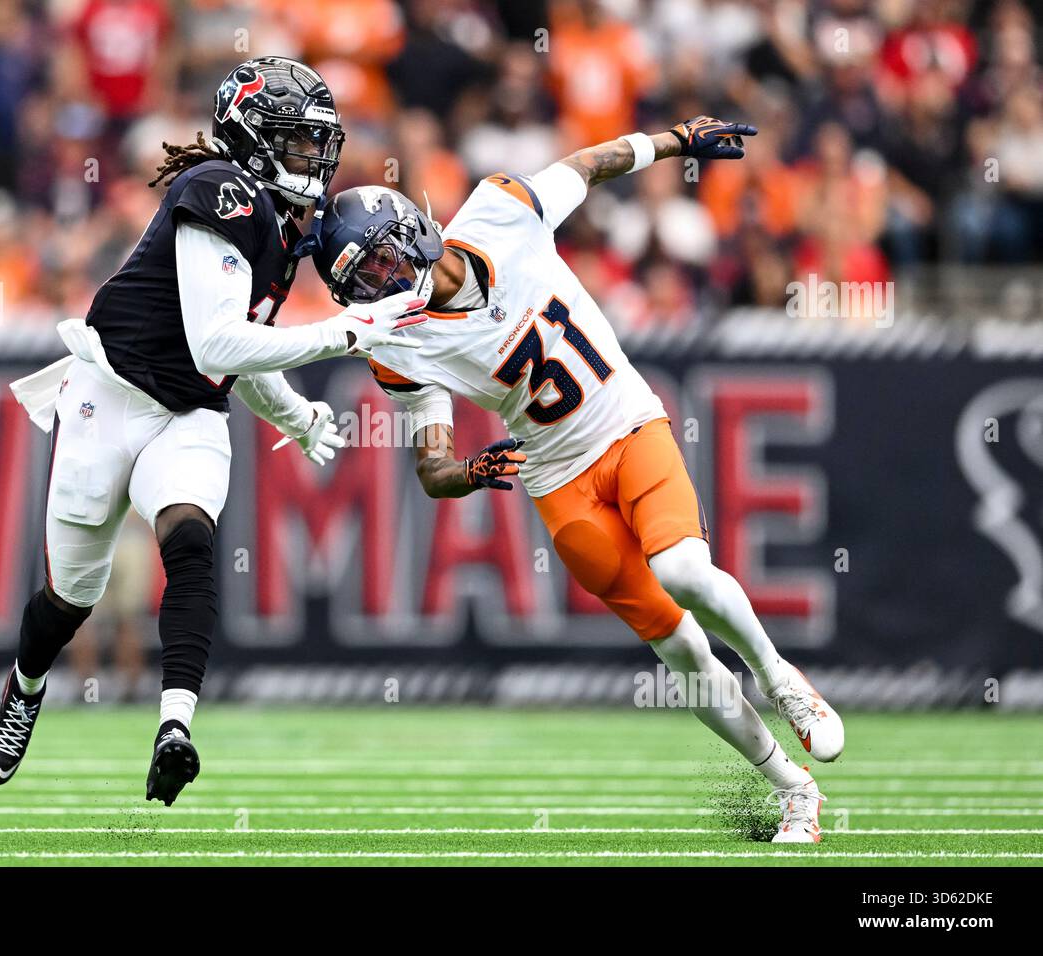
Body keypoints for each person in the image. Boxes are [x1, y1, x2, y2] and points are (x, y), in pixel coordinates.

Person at [307, 116, 844, 843]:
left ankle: (781, 677)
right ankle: (793, 791)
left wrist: (679, 139)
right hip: (558, 479)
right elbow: (430, 468)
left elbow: (591, 162)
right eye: (359, 285)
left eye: (374, 266)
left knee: (684, 569)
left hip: (626, 424)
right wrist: (469, 471)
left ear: (406, 231)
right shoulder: (400, 346)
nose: (377, 288)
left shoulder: (500, 209)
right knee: (678, 651)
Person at [0, 56, 426, 804]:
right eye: (296, 142)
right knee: (71, 597)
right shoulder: (217, 192)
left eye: (319, 143)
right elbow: (218, 342)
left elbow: (236, 358)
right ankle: (25, 689)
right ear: (251, 139)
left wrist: (295, 412)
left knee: (189, 538)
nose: (314, 159)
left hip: (188, 411)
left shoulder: (283, 226)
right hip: (109, 396)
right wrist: (350, 331)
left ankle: (174, 726)